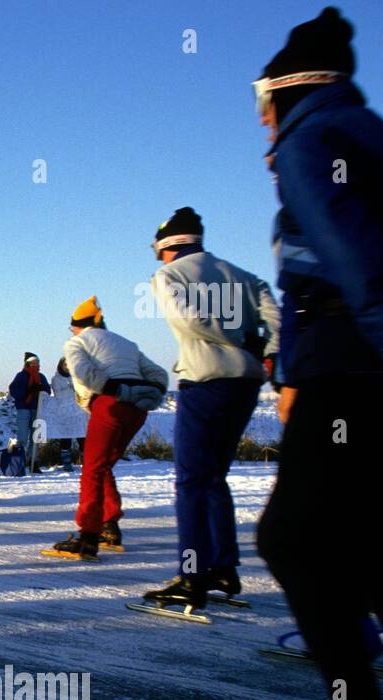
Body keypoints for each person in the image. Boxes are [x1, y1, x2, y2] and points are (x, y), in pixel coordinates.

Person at [252, 7, 383, 700]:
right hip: (357, 362)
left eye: (261, 99)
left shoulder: (310, 142)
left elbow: (357, 268)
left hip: (352, 366)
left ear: (284, 91)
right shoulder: (372, 132)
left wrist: (303, 373)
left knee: (295, 540)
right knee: (371, 541)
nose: (261, 119)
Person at [140, 206, 279, 602]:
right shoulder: (245, 276)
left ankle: (192, 575)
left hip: (205, 380)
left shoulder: (168, 275)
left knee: (190, 481)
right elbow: (278, 319)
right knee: (214, 477)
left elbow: (189, 321)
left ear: (167, 247)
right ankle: (222, 568)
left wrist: (234, 337)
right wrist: (264, 351)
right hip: (247, 382)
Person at [43, 297, 168, 559]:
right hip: (137, 410)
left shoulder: (77, 343)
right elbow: (159, 375)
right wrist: (144, 392)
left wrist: (114, 389)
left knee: (92, 467)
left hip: (109, 405)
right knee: (104, 466)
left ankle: (88, 537)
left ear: (78, 326)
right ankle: (110, 524)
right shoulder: (126, 344)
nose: (72, 332)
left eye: (72, 327)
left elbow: (82, 372)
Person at [37, 357, 88, 471]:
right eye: (65, 365)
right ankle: (67, 462)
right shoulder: (56, 379)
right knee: (66, 438)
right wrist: (72, 391)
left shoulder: (76, 377)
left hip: (77, 411)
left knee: (82, 437)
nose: (67, 367)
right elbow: (59, 394)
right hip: (64, 412)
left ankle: (85, 461)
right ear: (61, 366)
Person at [9, 353, 51, 473]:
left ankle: (34, 462)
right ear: (28, 363)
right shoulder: (21, 376)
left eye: (37, 363)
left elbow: (47, 391)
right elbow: (13, 390)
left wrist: (41, 390)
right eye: (33, 362)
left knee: (35, 437)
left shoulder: (41, 377)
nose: (36, 365)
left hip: (37, 409)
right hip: (23, 408)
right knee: (22, 437)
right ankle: (19, 462)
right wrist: (27, 392)